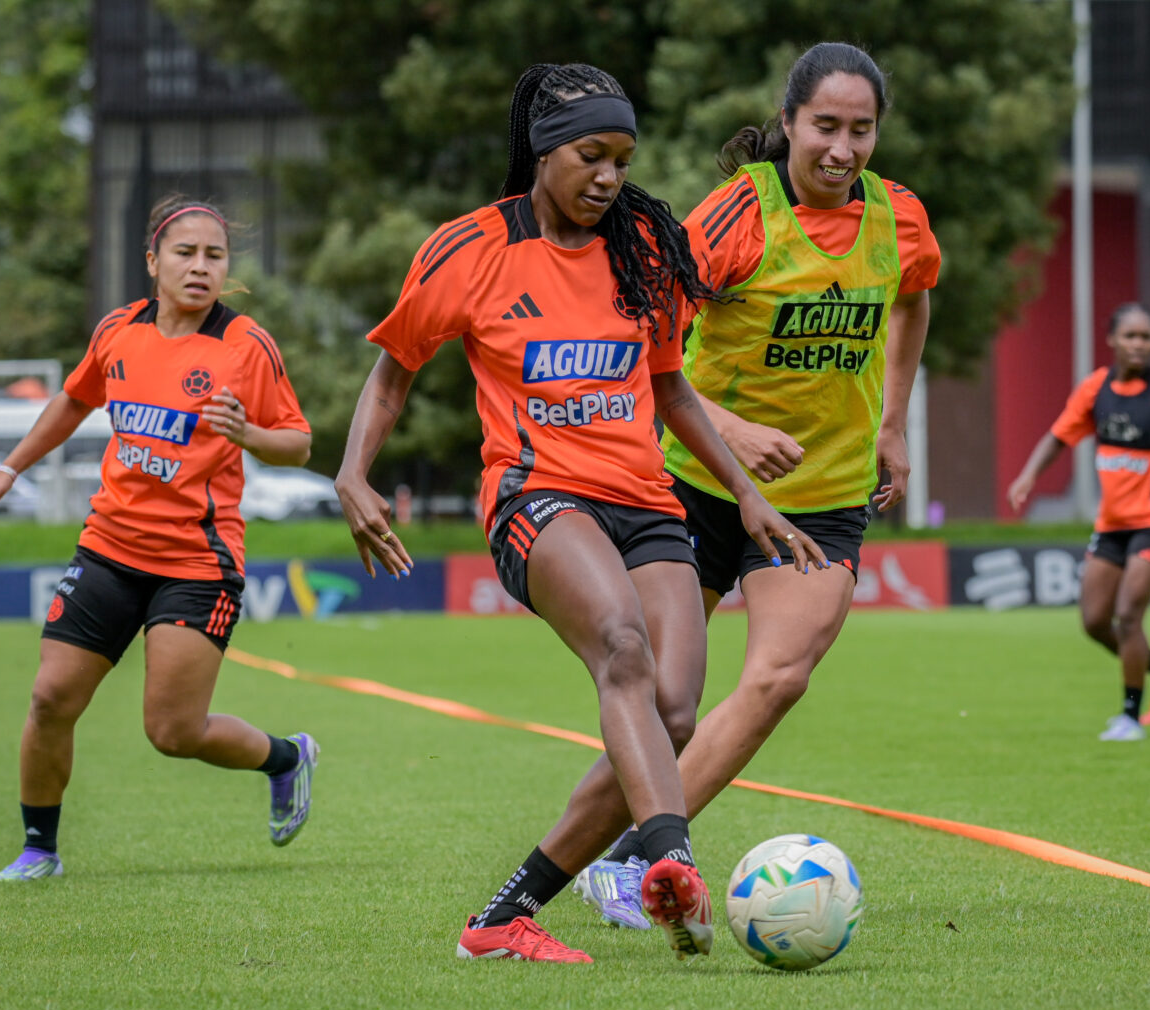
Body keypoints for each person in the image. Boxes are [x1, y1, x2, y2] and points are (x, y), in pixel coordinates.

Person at [334, 63, 825, 964]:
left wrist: (749, 496)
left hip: (646, 500)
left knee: (673, 712)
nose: (609, 177)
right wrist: (353, 474)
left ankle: (504, 914)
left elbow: (672, 386)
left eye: (622, 158)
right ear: (543, 152)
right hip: (536, 498)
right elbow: (396, 368)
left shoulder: (643, 248)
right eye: (591, 156)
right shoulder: (472, 248)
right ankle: (670, 862)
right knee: (622, 648)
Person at [571, 41, 939, 928]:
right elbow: (645, 340)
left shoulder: (900, 221)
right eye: (825, 127)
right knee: (668, 704)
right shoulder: (737, 216)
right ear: (788, 125)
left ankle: (637, 865)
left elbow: (917, 295)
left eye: (861, 130)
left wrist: (892, 422)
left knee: (778, 678)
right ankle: (573, 858)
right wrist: (731, 434)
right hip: (698, 484)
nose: (842, 149)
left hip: (821, 498)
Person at [0, 196, 319, 882]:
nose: (200, 267)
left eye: (214, 256)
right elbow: (76, 398)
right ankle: (39, 850)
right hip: (108, 546)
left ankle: (286, 758)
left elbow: (300, 443)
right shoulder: (118, 331)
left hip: (197, 563)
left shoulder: (245, 344)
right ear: (152, 262)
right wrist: (13, 466)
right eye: (185, 253)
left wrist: (247, 434)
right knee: (50, 699)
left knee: (172, 733)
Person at [1008, 303, 1150, 741]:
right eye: (1130, 336)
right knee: (1095, 621)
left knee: (1129, 614)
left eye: (1146, 337)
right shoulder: (1096, 389)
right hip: (1112, 522)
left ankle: (1131, 716)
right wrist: (1028, 476)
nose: (1139, 344)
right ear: (1112, 339)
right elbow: (1058, 436)